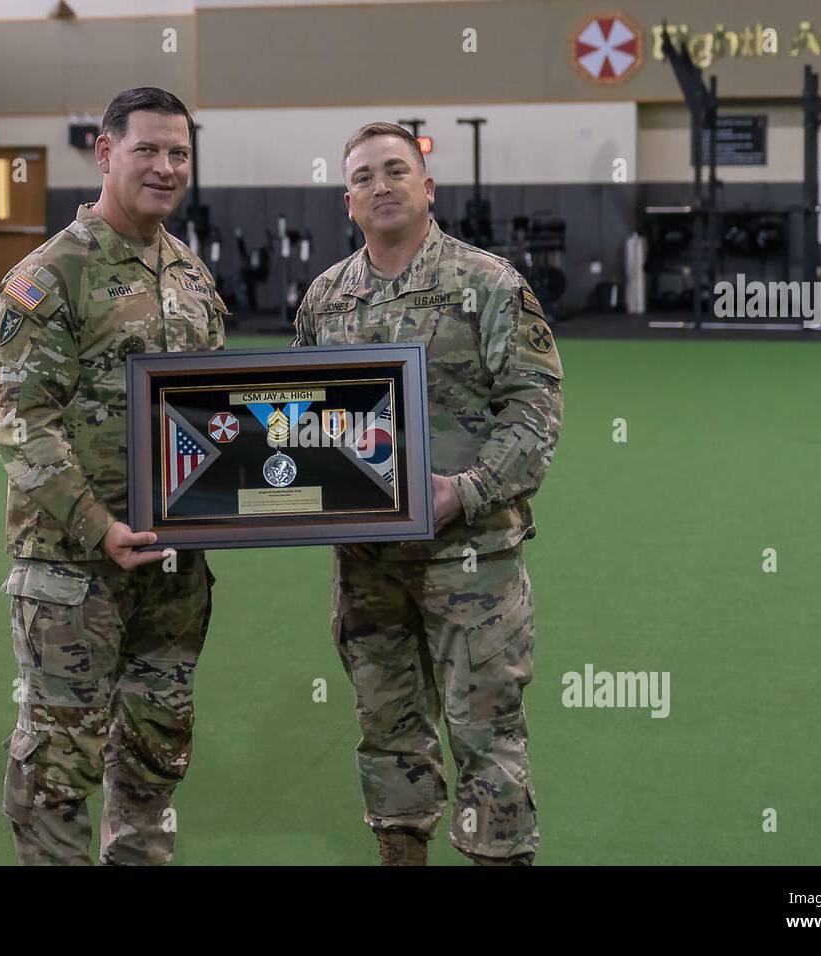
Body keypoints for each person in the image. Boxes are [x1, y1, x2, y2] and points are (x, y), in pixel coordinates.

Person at [292, 122, 564, 866]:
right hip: (367, 564)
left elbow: (535, 410)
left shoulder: (490, 284)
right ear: (348, 200)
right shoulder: (325, 300)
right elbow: (294, 419)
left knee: (487, 735)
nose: (381, 185)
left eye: (395, 170)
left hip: (471, 559)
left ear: (426, 186)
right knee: (388, 734)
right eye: (364, 177)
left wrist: (467, 491)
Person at [0, 87, 226, 865]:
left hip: (171, 567)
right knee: (59, 766)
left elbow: (220, 412)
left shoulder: (191, 276)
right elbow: (26, 428)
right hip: (72, 570)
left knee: (156, 752)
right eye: (147, 150)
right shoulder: (51, 277)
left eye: (179, 153)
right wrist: (100, 526)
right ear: (105, 153)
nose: (165, 167)